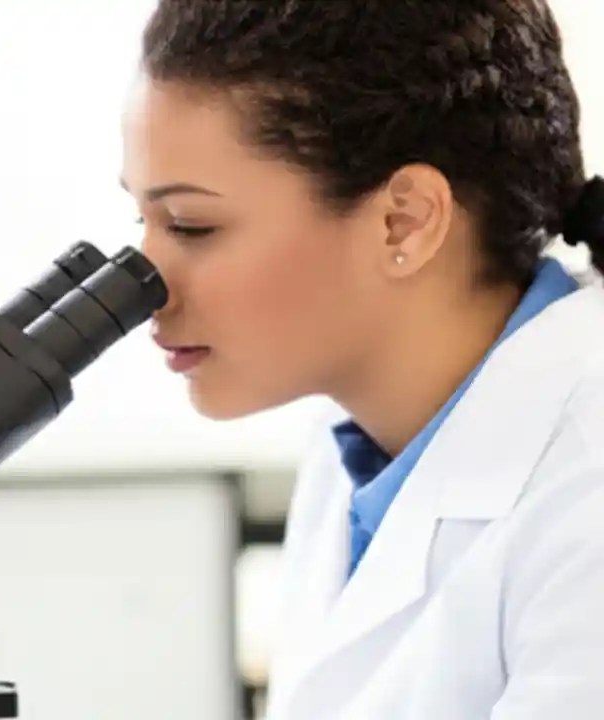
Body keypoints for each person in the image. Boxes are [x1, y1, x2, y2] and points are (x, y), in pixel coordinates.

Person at [123, 2, 604, 718]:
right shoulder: (355, 449)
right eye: (143, 219)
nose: (143, 289)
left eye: (192, 224)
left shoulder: (587, 477)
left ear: (403, 220)